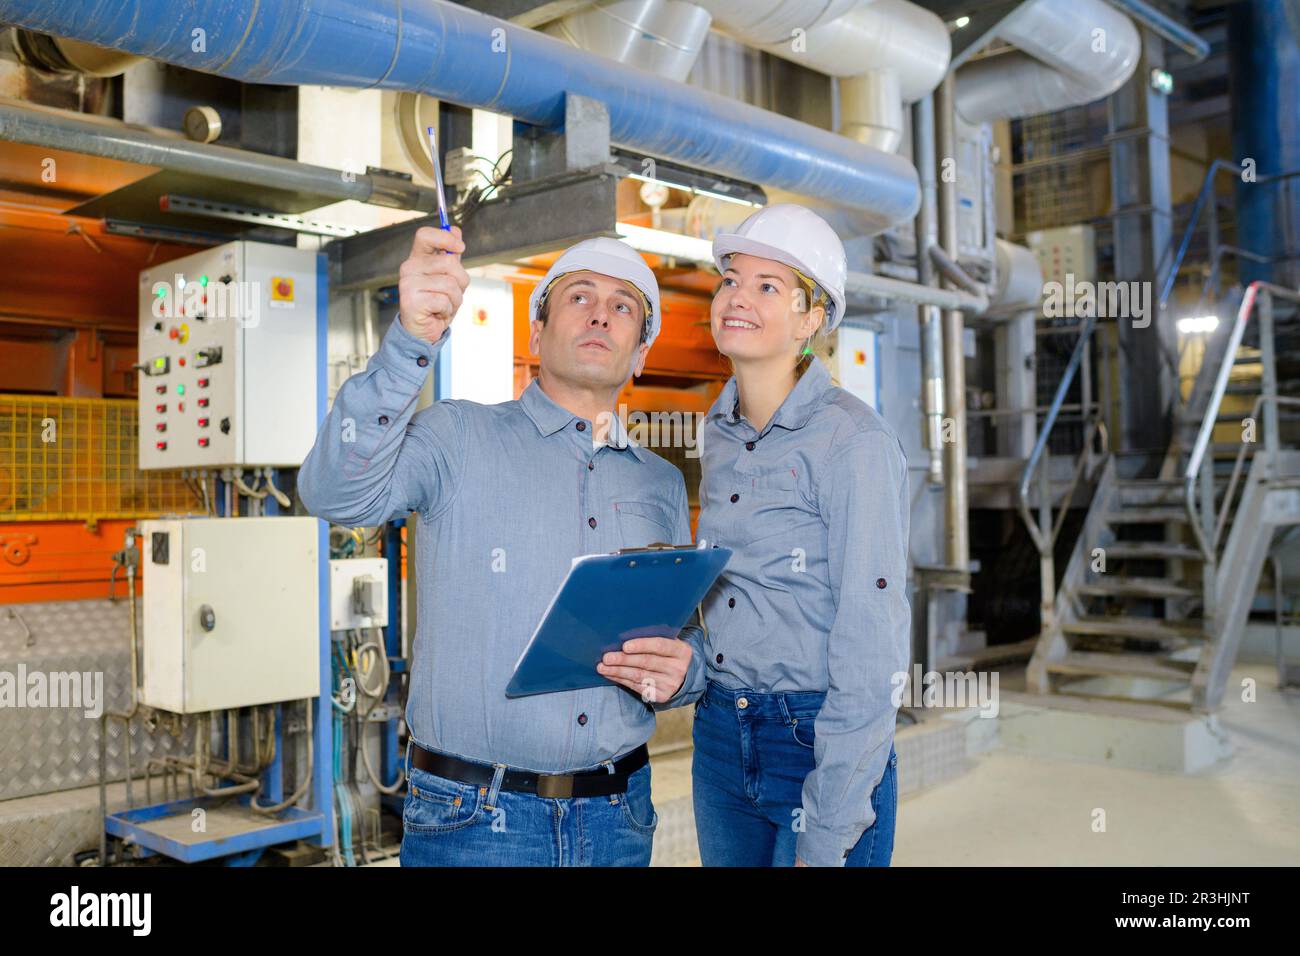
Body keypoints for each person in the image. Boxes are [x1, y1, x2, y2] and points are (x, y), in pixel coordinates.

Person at [299, 226, 703, 866]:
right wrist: (412, 340)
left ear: (640, 355)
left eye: (624, 305)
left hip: (619, 816)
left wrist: (686, 672)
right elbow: (333, 494)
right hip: (474, 823)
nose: (601, 312)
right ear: (537, 334)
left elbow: (682, 633)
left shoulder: (660, 483)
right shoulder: (457, 435)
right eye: (579, 296)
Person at [667, 203, 911, 867]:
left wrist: (830, 826)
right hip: (720, 734)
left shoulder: (852, 441)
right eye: (730, 281)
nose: (738, 297)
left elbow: (872, 638)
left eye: (767, 286)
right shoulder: (717, 432)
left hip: (816, 737)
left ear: (813, 319)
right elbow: (729, 595)